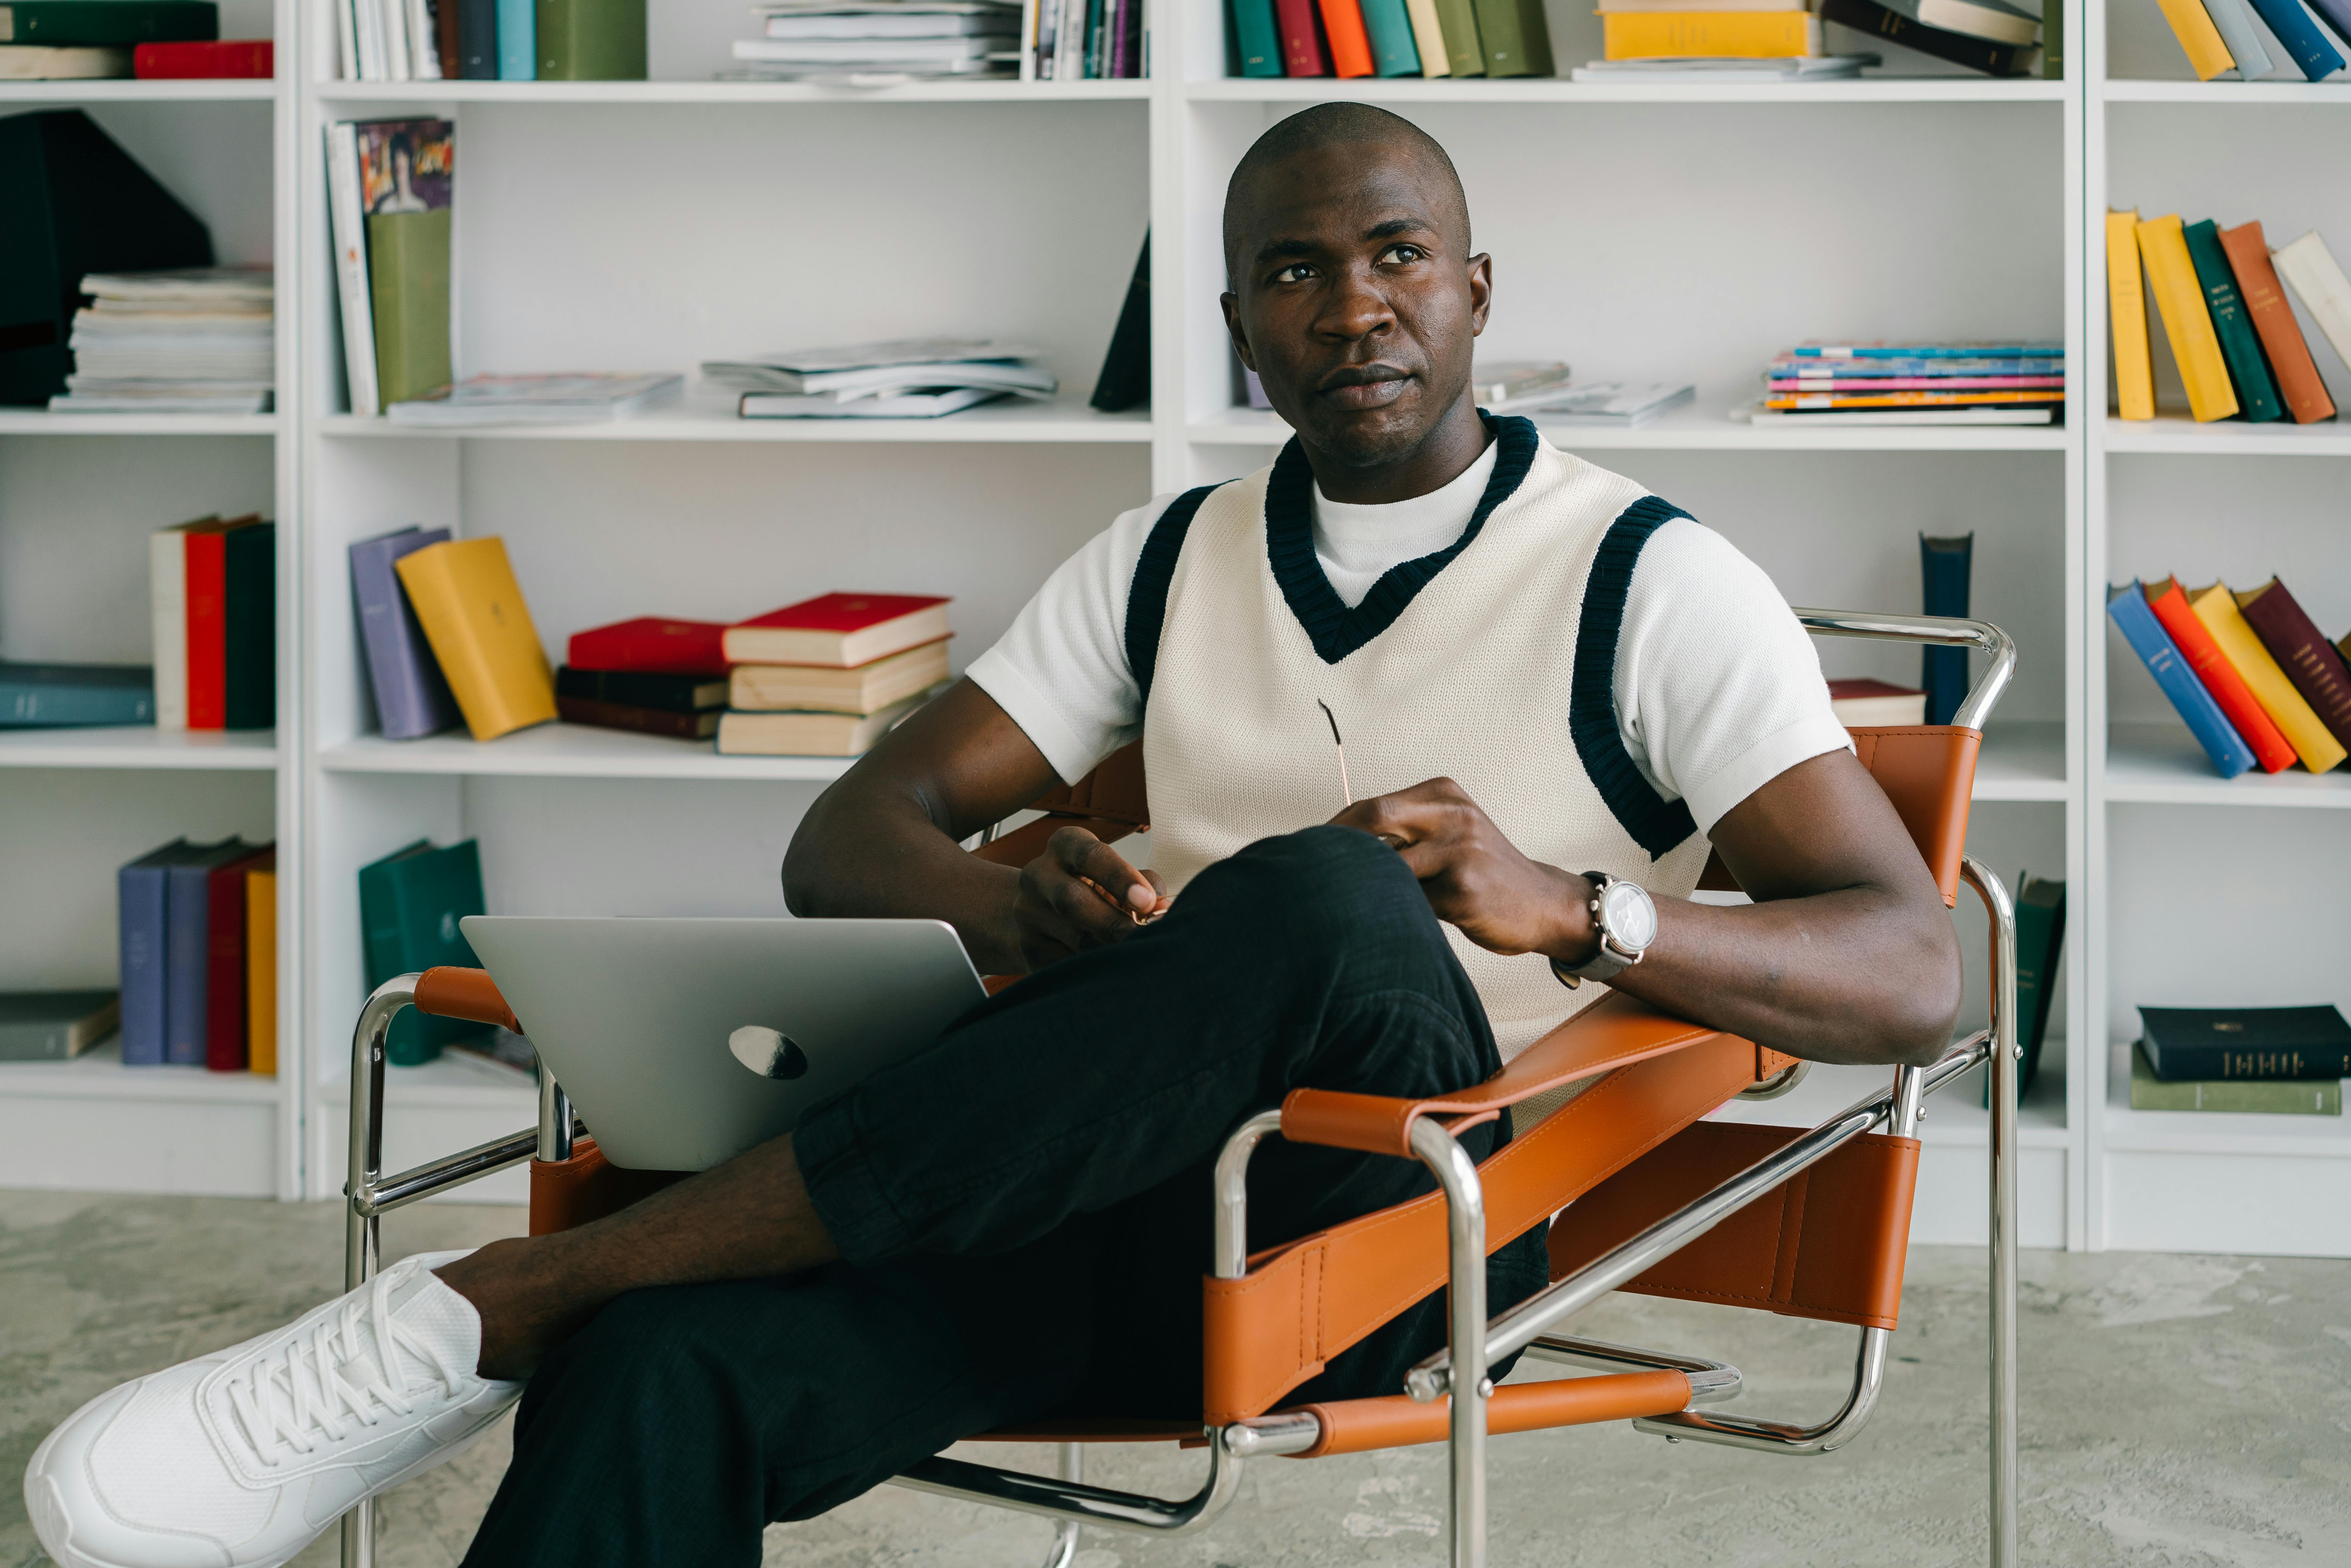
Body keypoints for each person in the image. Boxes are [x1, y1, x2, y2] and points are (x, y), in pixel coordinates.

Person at [23, 103, 1962, 1568]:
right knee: (667, 1373)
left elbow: (1913, 961)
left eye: (1396, 255)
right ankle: (583, 1320)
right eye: (1296, 269)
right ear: (1236, 318)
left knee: (1327, 890)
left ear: (1475, 290)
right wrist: (1003, 899)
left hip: (1381, 1234)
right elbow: (851, 829)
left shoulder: (1652, 578)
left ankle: (497, 1298)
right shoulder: (1166, 557)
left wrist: (1574, 907)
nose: (1353, 304)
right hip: (1067, 1195)